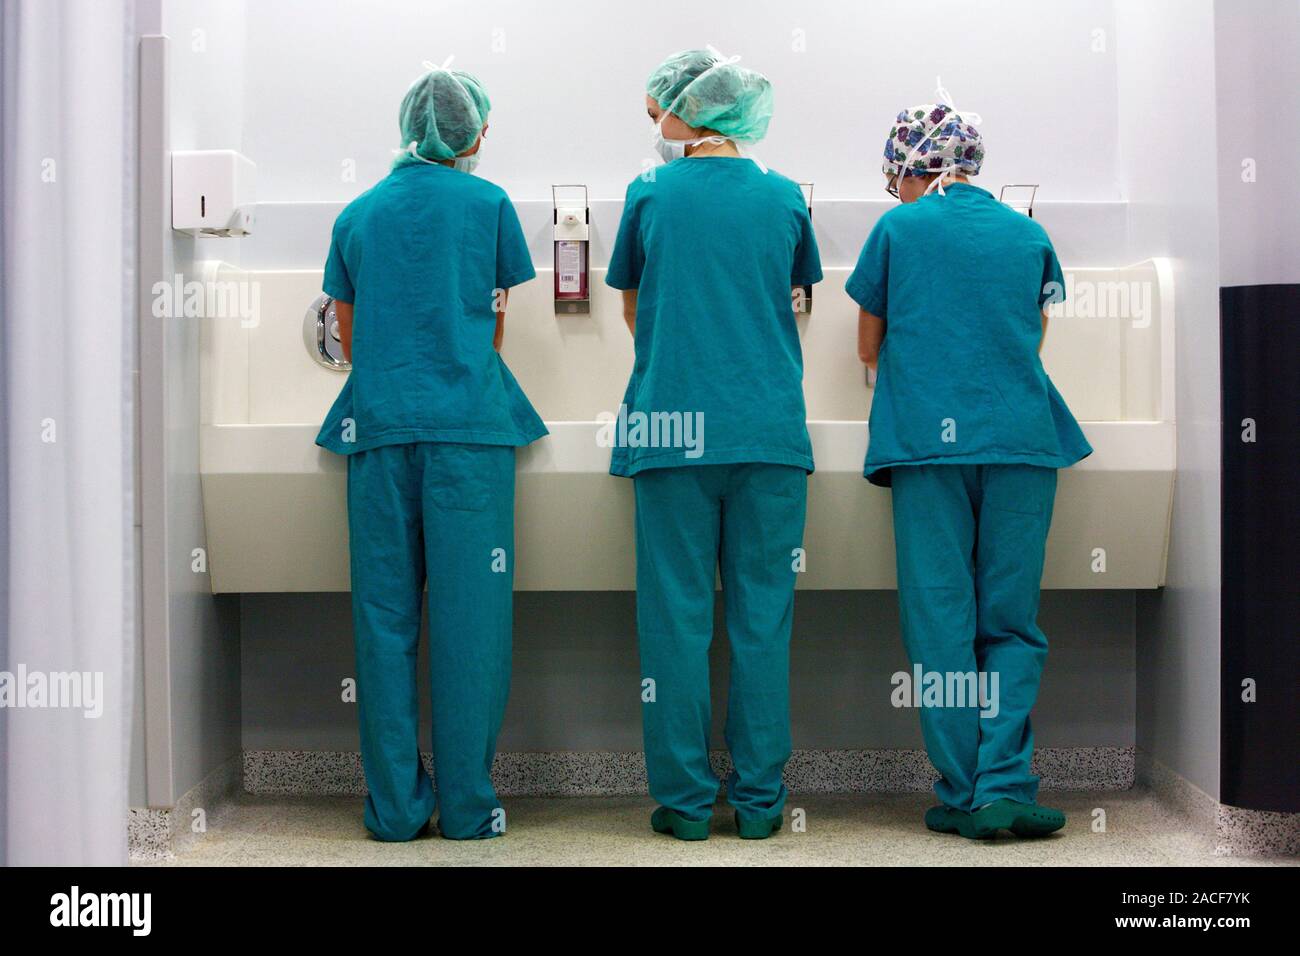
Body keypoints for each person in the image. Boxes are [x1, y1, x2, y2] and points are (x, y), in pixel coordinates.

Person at [847, 89, 1091, 839]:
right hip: (1020, 441)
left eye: (896, 177)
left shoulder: (898, 229)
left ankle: (963, 792)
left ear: (908, 168)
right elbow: (1034, 335)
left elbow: (867, 346)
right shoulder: (1027, 235)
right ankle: (1006, 784)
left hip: (927, 445)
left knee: (940, 622)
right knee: (1012, 622)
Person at [315, 65, 545, 841]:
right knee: (471, 621)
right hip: (468, 438)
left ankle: (393, 811)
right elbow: (494, 318)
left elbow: (346, 338)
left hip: (379, 433)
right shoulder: (489, 205)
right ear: (473, 133)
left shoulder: (358, 214)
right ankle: (470, 809)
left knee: (384, 623)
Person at [606, 48, 822, 841]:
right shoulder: (784, 199)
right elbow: (791, 297)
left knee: (675, 623)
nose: (654, 119)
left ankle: (687, 805)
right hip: (768, 434)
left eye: (658, 106)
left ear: (688, 111)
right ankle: (762, 804)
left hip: (670, 435)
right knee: (763, 624)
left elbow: (635, 309)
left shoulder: (649, 192)